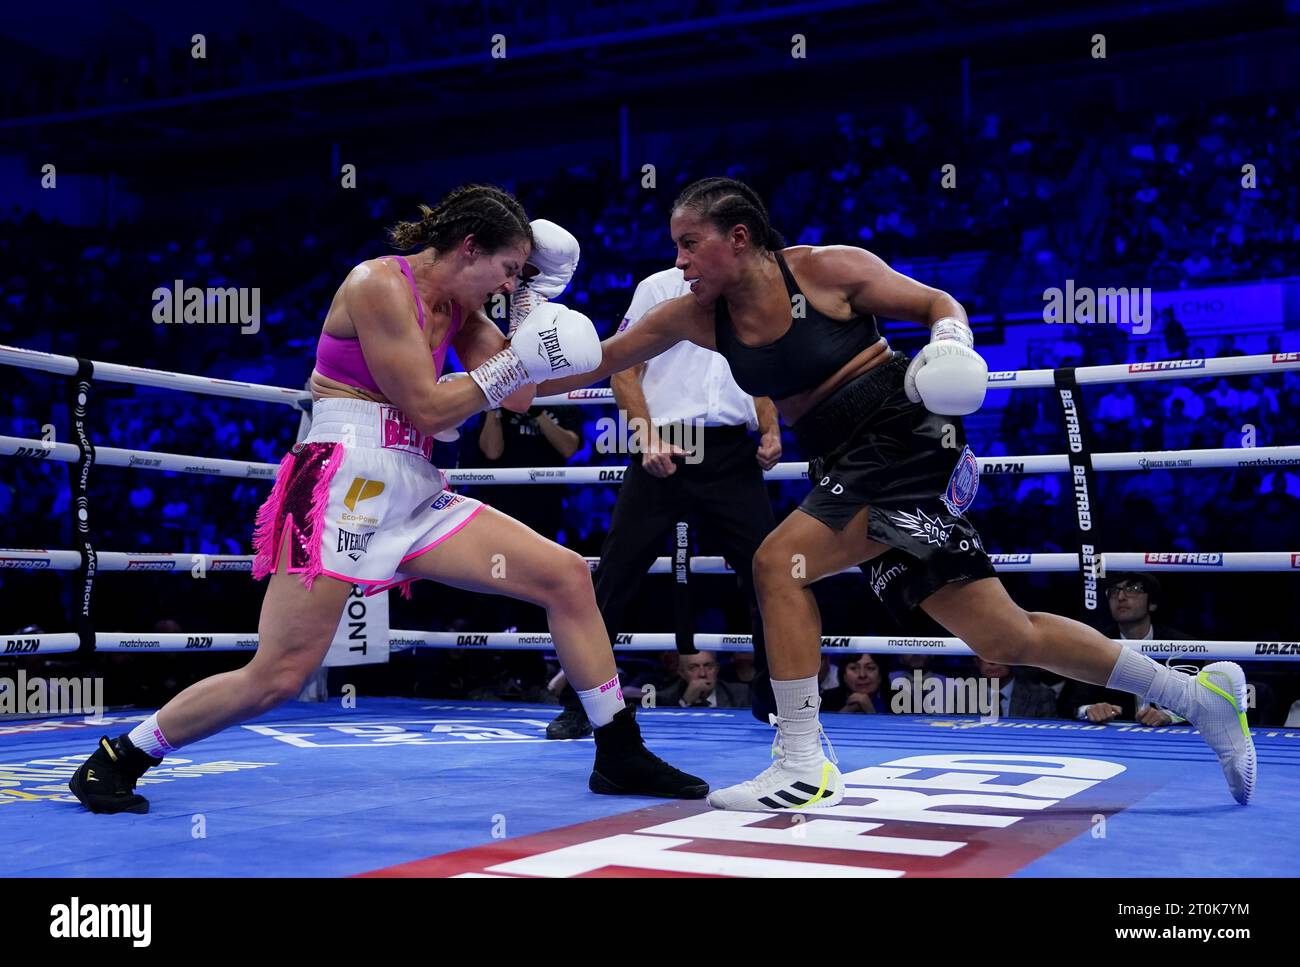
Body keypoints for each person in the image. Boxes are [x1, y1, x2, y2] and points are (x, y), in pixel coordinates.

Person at [539, 176, 1255, 810]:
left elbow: (938, 300)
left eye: (691, 244)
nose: (681, 261)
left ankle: (801, 762)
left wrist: (950, 339)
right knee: (1005, 634)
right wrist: (509, 364)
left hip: (908, 441)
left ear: (739, 235)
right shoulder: (696, 315)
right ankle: (1200, 698)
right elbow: (601, 361)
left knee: (776, 562)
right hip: (847, 464)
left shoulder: (827, 271)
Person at [69, 186, 706, 814]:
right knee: (279, 676)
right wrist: (516, 361)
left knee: (566, 575)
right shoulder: (377, 284)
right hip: (340, 479)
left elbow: (517, 394)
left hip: (414, 484)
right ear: (467, 247)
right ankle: (123, 755)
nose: (508, 287)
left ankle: (618, 750)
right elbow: (433, 408)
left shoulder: (460, 308)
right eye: (510, 272)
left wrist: (631, 328)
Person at [546, 265, 781, 740]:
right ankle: (582, 702)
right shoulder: (657, 289)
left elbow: (763, 372)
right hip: (663, 447)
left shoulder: (757, 293)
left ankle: (774, 700)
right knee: (615, 575)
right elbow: (622, 370)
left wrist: (771, 428)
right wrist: (646, 437)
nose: (683, 258)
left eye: (692, 245)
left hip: (732, 453)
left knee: (770, 574)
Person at [1057, 573, 1193, 726]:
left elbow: (1201, 701)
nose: (1121, 597)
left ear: (1152, 603)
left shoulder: (1181, 645)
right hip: (1114, 741)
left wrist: (1170, 716)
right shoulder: (1096, 643)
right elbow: (1072, 702)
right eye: (1114, 591)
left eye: (1133, 589)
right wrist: (1090, 710)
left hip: (1172, 739)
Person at [820, 653, 889, 714]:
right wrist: (848, 710)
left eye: (870, 668)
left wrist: (870, 711)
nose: (862, 675)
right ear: (844, 676)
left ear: (880, 675)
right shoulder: (825, 699)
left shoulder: (895, 699)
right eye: (854, 668)